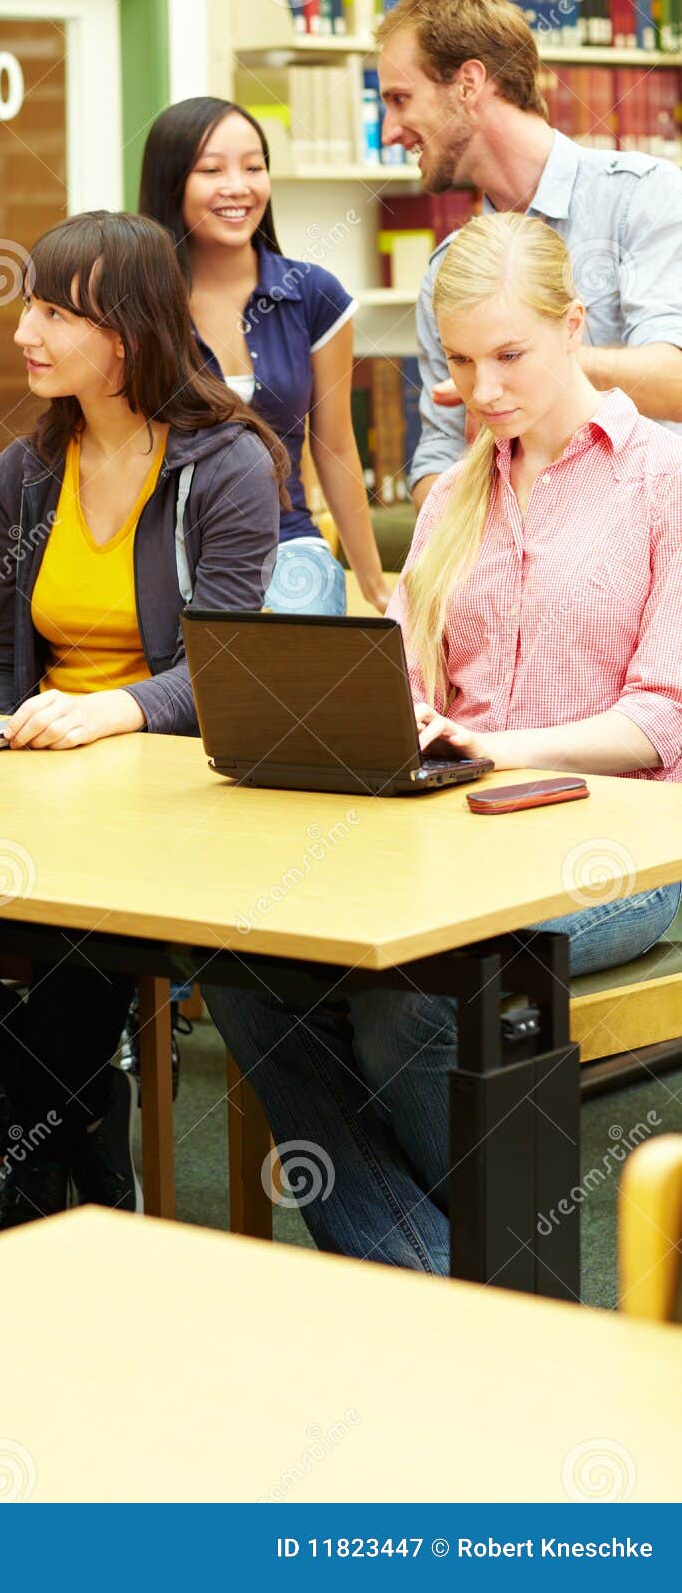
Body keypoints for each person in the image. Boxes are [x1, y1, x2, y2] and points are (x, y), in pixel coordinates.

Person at [204, 212, 682, 1275]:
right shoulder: (459, 490)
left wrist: (491, 748)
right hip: (454, 825)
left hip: (629, 844)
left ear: (572, 327)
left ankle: (464, 1276)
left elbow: (660, 721)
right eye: (459, 360)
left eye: (508, 353)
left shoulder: (663, 479)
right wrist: (401, 723)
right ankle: (455, 1276)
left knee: (409, 1004)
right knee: (241, 960)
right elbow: (410, 673)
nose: (481, 386)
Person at [0, 208, 286, 1230]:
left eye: (51, 312)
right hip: (40, 773)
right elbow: (1, 662)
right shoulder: (26, 472)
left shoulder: (227, 465)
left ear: (127, 332)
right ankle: (77, 1096)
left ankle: (40, 1174)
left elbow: (222, 671)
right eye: (27, 307)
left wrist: (112, 712)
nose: (24, 334)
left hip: (173, 783)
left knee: (71, 926)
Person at [376, 0, 682, 510]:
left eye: (401, 99)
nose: (389, 131)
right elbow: (438, 455)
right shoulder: (447, 270)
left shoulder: (643, 196)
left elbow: (675, 383)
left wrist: (534, 367)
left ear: (468, 83)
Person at [139, 96, 388, 613]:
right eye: (211, 170)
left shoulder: (312, 294)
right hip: (163, 551)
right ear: (171, 182)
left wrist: (374, 583)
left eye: (254, 167)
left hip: (287, 543)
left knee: (302, 653)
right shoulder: (138, 301)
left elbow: (336, 446)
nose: (239, 186)